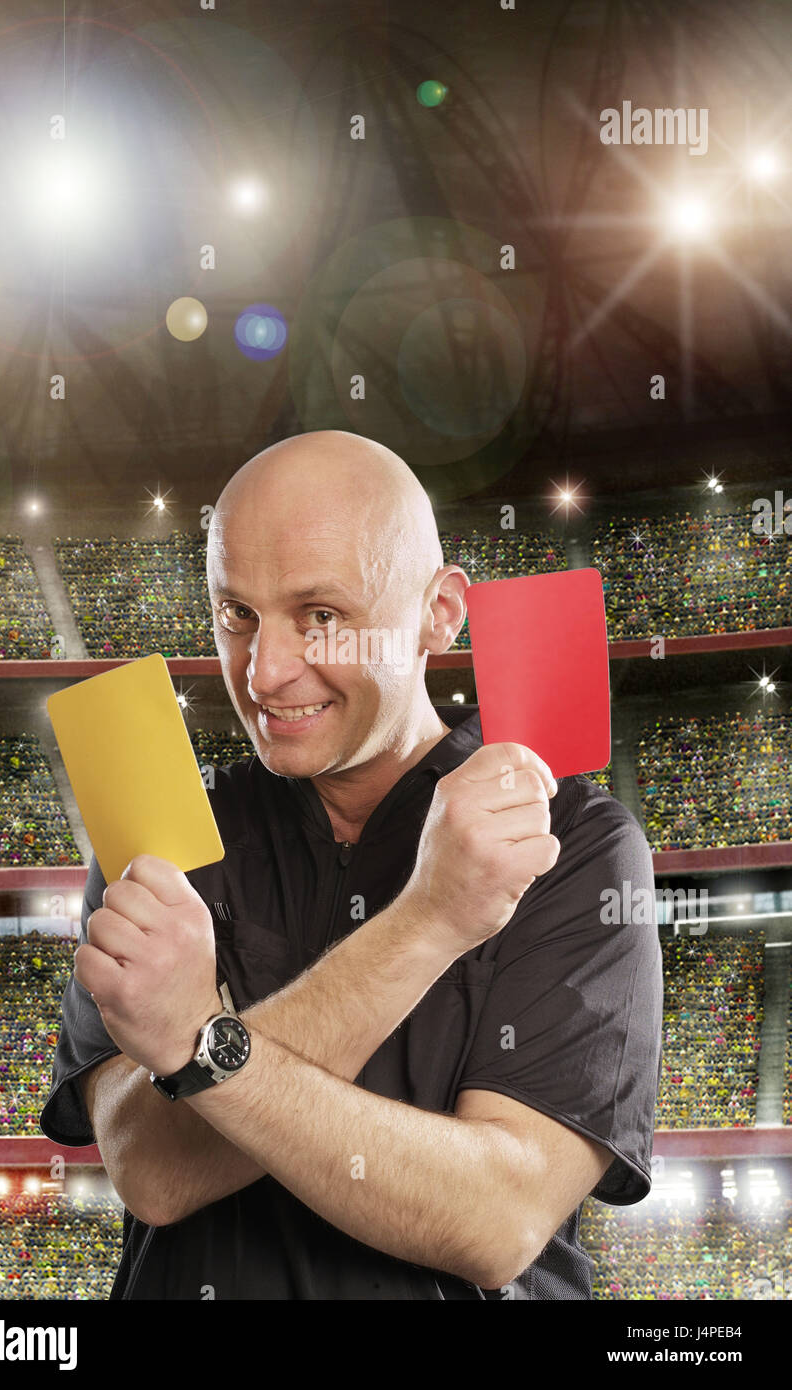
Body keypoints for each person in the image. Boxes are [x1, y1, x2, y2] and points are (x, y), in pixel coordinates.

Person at [41, 429, 663, 1299]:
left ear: (439, 614)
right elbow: (153, 1172)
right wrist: (428, 924)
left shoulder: (571, 842)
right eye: (237, 614)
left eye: (321, 617)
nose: (265, 671)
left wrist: (203, 1046)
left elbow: (497, 1219)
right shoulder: (159, 831)